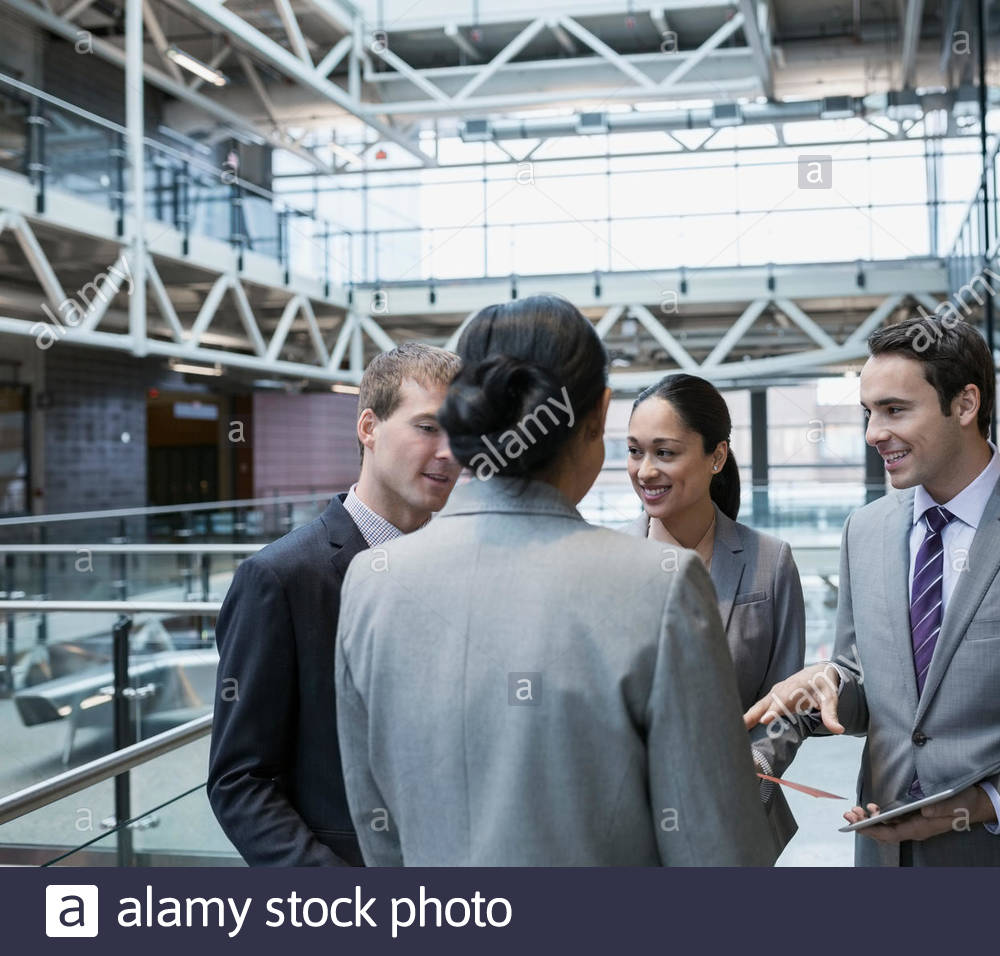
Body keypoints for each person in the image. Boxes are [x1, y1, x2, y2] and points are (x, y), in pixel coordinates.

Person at [335, 294, 774, 866]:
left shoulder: (372, 581)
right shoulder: (659, 585)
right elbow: (714, 849)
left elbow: (379, 832)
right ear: (600, 412)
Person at [747, 316, 1000, 866]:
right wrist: (831, 681)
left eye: (894, 410)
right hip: (882, 860)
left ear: (964, 405)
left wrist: (985, 804)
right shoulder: (864, 531)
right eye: (869, 413)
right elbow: (869, 691)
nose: (872, 433)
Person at [208, 343, 462, 866]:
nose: (449, 452)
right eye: (428, 427)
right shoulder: (279, 579)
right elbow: (240, 781)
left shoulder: (462, 566)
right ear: (369, 427)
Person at [621, 373, 806, 852]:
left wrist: (759, 766)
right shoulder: (602, 559)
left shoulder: (770, 563)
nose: (645, 471)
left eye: (665, 452)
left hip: (736, 825)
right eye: (635, 451)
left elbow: (787, 701)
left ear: (716, 457)